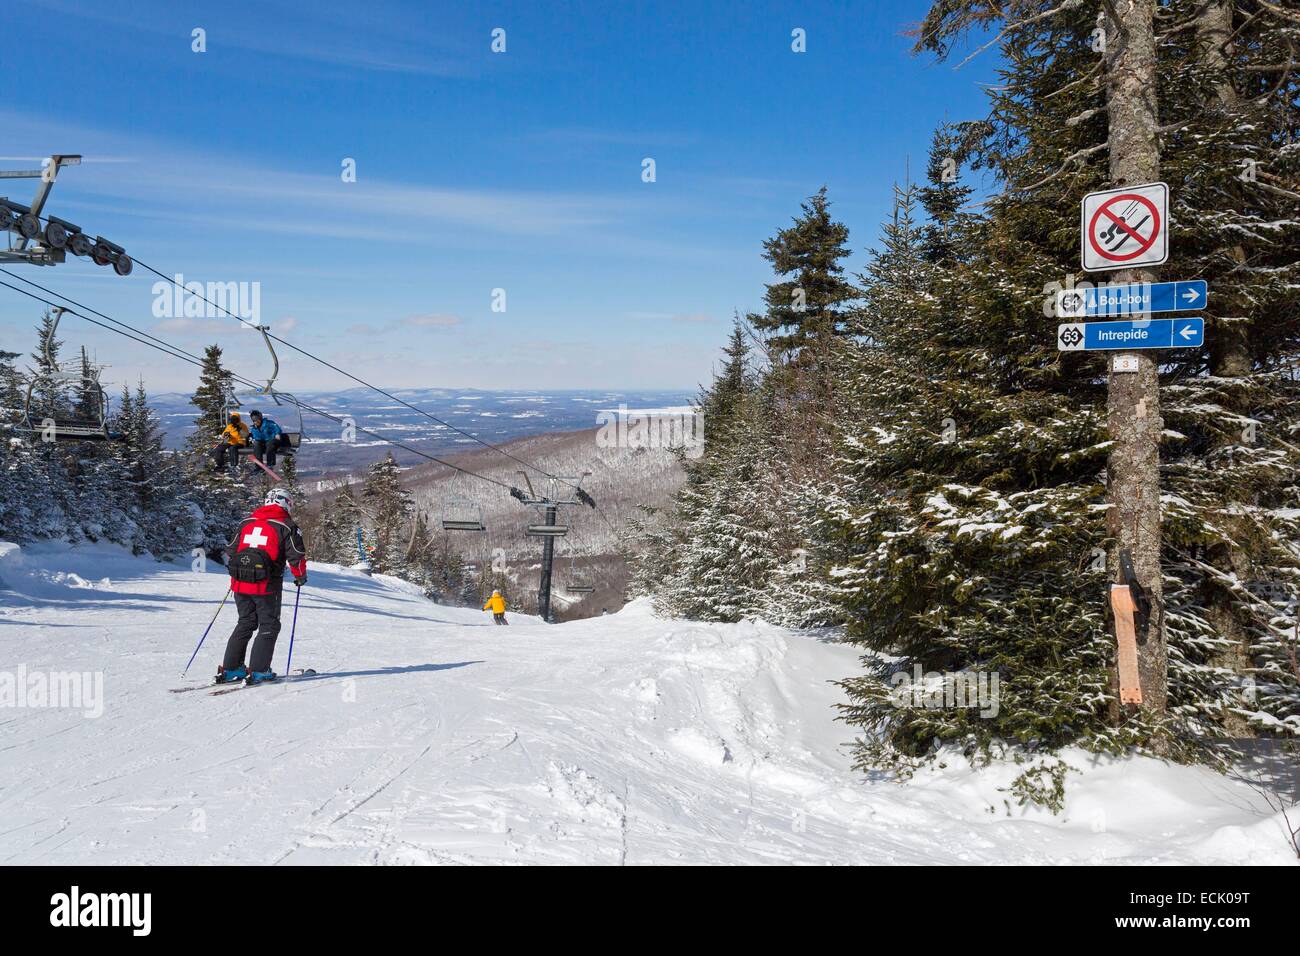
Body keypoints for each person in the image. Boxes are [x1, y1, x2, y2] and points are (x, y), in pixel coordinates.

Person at [217, 487, 308, 685]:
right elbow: (296, 557)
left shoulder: (246, 522)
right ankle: (259, 670)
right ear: (286, 503)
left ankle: (231, 668)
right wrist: (300, 576)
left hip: (240, 582)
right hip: (266, 586)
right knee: (269, 624)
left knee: (245, 622)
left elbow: (231, 550)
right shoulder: (286, 526)